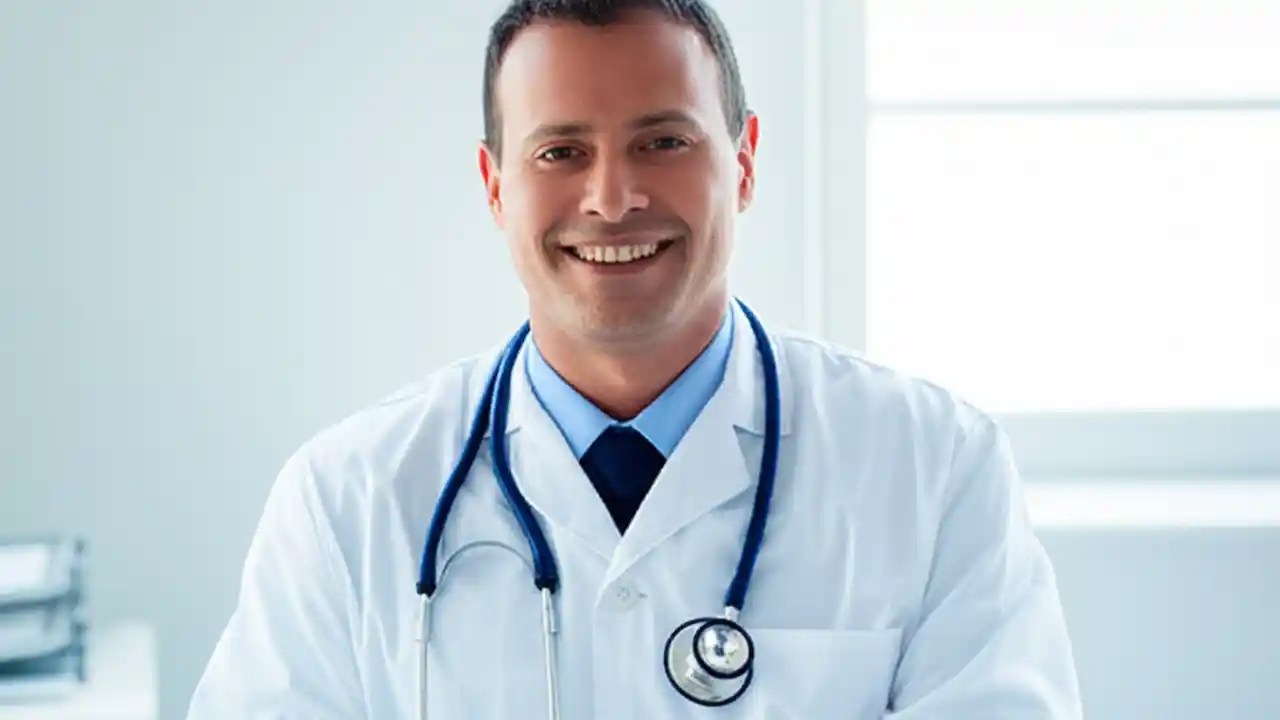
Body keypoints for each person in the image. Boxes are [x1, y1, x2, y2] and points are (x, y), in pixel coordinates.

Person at [188, 1, 1082, 717]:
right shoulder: (348, 500)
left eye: (663, 142)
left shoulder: (932, 468)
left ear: (744, 163)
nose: (612, 199)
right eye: (561, 151)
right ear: (496, 187)